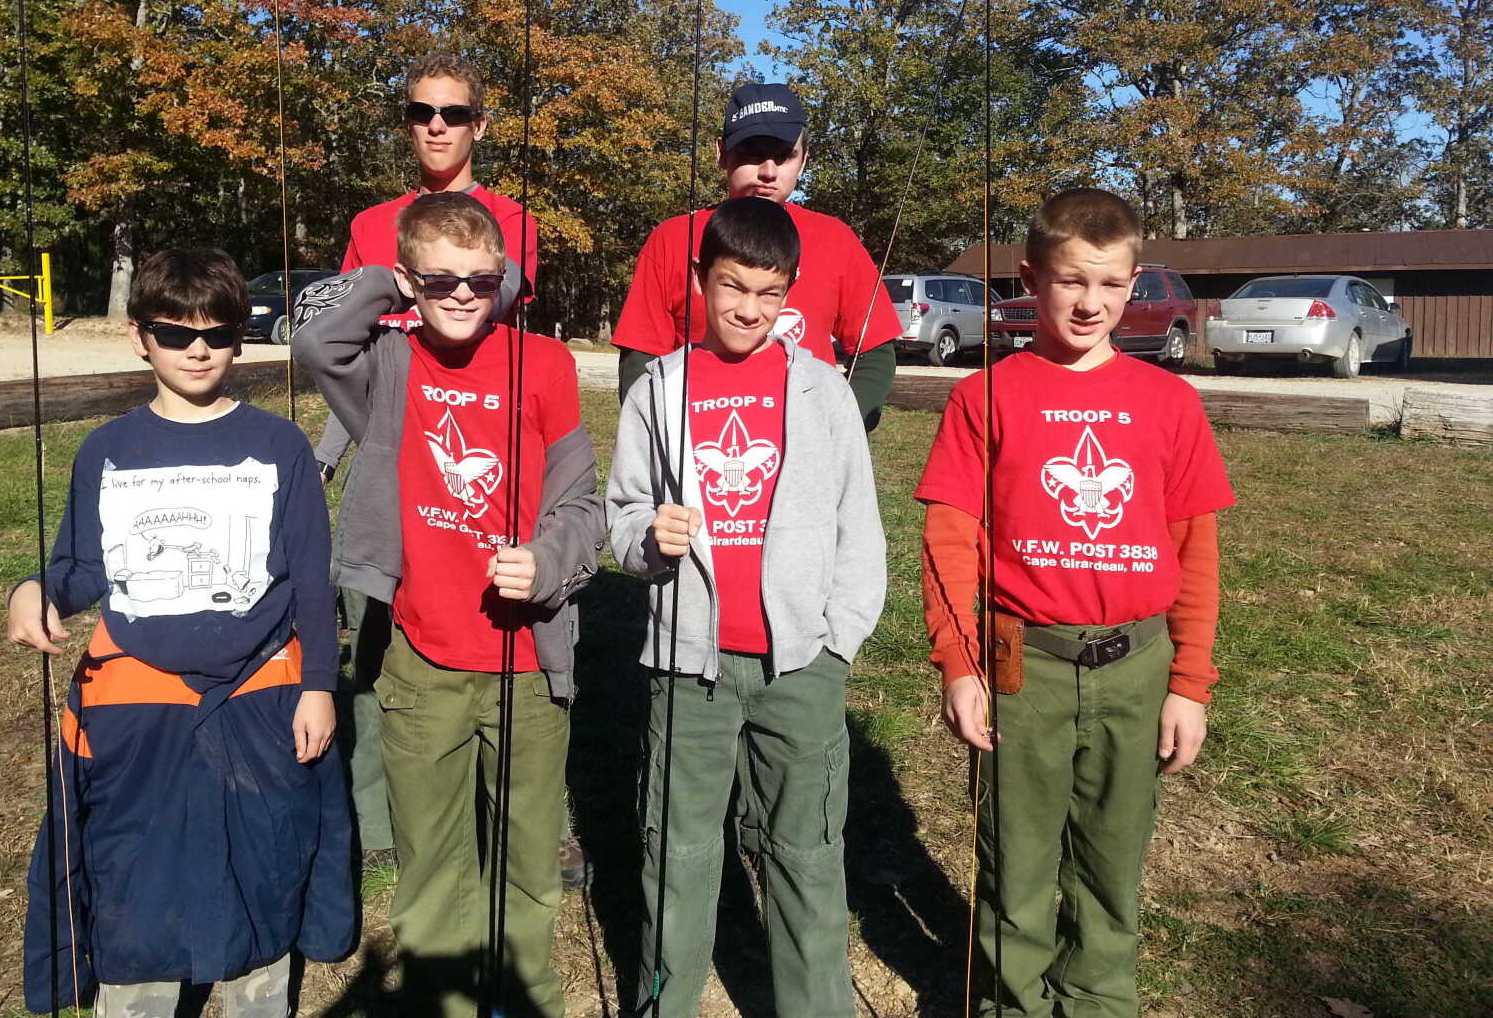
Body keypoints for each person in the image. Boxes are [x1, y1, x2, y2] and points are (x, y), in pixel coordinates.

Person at [6, 248, 353, 1015]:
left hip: (261, 703)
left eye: (219, 333)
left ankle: (258, 991)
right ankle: (136, 993)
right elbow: (82, 567)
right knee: (133, 877)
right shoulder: (107, 451)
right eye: (173, 332)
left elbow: (308, 577)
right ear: (140, 337)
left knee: (261, 872)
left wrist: (319, 687)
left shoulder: (280, 447)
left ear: (239, 338)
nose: (197, 350)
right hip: (137, 710)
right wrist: (39, 585)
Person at [916, 187, 1235, 1017]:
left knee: (1109, 872)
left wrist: (1188, 685)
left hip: (1137, 670)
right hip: (1027, 671)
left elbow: (1196, 557)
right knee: (1015, 871)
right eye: (1070, 282)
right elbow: (951, 542)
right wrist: (960, 666)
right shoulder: (985, 395)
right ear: (1031, 278)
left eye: (1111, 284)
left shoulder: (1170, 403)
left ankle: (1096, 1001)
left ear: (1135, 283)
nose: (1090, 303)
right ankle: (1011, 1003)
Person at [292, 191, 603, 1018]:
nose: (461, 294)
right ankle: (441, 1003)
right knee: (431, 862)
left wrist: (544, 562)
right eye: (438, 280)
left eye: (480, 279)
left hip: (529, 666)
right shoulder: (388, 367)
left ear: (504, 280)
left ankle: (527, 998)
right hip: (421, 661)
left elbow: (584, 510)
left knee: (527, 857)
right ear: (407, 283)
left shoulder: (547, 366)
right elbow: (317, 341)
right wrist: (386, 287)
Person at [606, 197, 886, 1018]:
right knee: (679, 851)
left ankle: (815, 1005)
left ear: (790, 294)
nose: (748, 309)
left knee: (807, 849)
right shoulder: (658, 389)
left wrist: (837, 640)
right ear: (700, 280)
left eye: (769, 294)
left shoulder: (824, 392)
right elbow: (621, 515)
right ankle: (667, 1002)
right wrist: (646, 537)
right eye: (732, 287)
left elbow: (858, 528)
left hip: (800, 665)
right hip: (687, 670)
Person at [309, 50, 552, 874]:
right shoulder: (371, 224)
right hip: (384, 422)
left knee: (476, 615)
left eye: (452, 113)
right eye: (421, 113)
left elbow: (496, 298)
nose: (437, 126)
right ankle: (382, 816)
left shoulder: (512, 218)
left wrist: (424, 281)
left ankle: (513, 813)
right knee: (373, 623)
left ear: (479, 124)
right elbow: (343, 336)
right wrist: (326, 458)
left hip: (470, 433)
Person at [613, 81, 903, 431]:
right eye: (751, 154)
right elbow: (639, 357)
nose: (768, 171)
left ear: (804, 157)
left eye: (783, 156)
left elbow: (876, 352)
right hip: (695, 445)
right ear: (721, 153)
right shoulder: (673, 239)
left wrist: (837, 431)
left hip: (804, 447)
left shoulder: (835, 239)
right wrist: (658, 435)